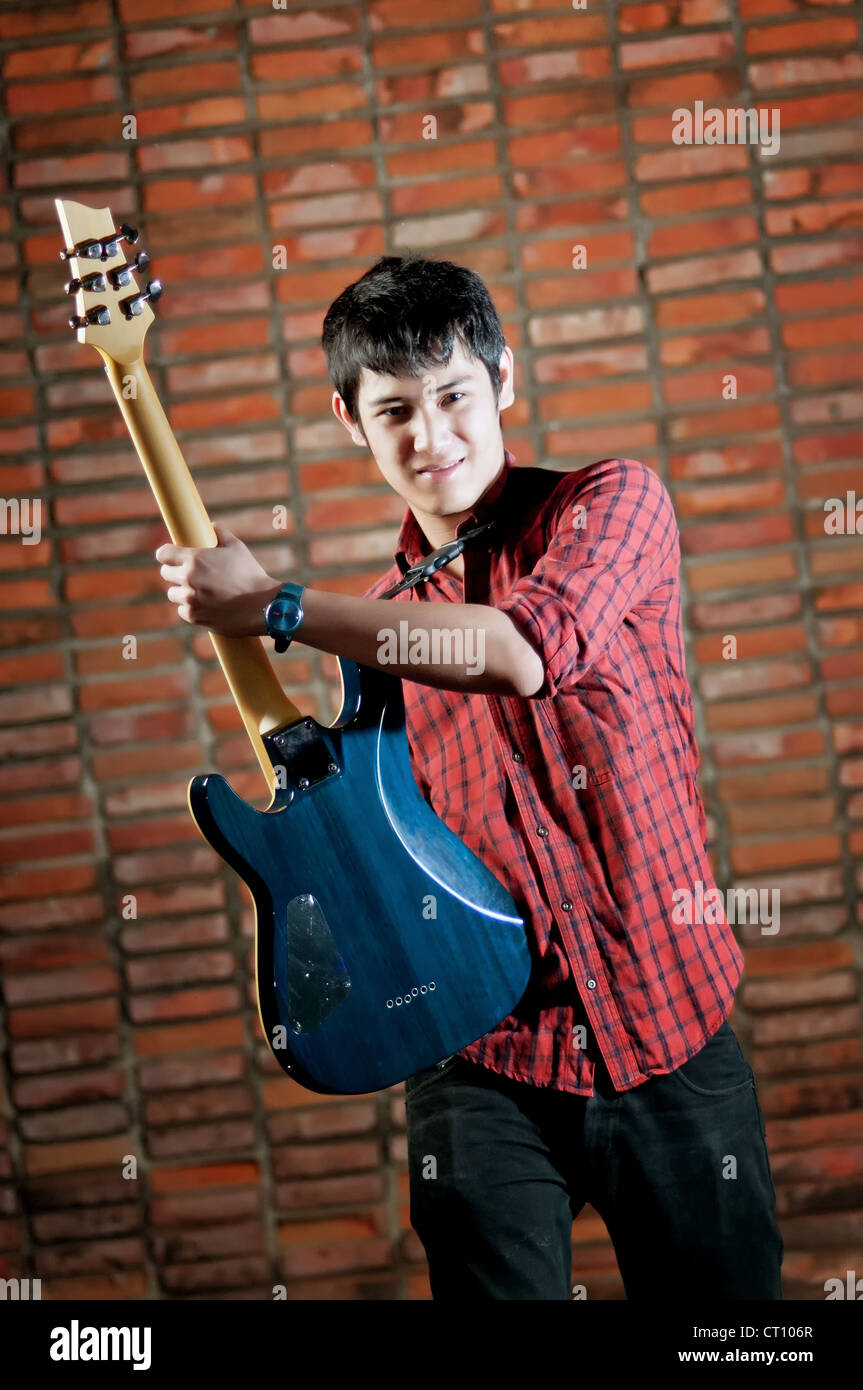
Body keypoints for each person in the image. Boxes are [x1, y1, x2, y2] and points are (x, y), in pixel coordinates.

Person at [155, 254, 784, 1301]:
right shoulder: (372, 628)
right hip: (480, 1049)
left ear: (503, 383)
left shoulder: (612, 505)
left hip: (667, 1024)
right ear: (350, 424)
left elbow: (520, 649)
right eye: (393, 408)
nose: (430, 435)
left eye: (452, 394)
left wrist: (275, 606)